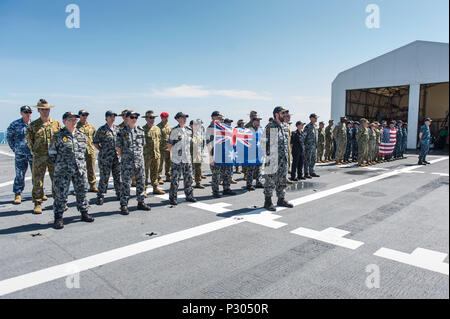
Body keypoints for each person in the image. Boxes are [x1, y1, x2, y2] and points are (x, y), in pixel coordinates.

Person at [48, 112, 94, 230]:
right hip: (63, 170)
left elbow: (83, 152)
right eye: (71, 120)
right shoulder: (57, 136)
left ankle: (84, 212)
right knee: (61, 194)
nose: (74, 122)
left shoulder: (81, 135)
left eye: (75, 120)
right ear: (64, 121)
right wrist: (60, 165)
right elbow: (52, 154)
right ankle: (58, 217)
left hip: (79, 169)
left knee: (82, 191)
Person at [26, 99, 62, 214]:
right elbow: (29, 141)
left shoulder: (56, 124)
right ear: (38, 110)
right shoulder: (33, 125)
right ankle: (37, 203)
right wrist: (36, 152)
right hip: (39, 157)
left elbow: (61, 139)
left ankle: (58, 201)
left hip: (53, 157)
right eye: (43, 110)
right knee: (38, 180)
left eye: (47, 109)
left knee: (56, 180)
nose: (46, 112)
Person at [116, 111, 150, 214]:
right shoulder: (121, 132)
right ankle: (124, 205)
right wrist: (125, 157)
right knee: (126, 184)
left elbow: (142, 145)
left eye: (136, 117)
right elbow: (118, 148)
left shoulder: (140, 131)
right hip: (127, 162)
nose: (134, 119)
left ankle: (141, 202)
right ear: (127, 118)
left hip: (139, 161)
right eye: (132, 117)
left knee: (141, 182)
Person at [262, 106, 293, 211]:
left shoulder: (284, 127)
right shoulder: (271, 127)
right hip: (273, 159)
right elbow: (263, 143)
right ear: (276, 114)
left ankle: (281, 199)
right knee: (270, 181)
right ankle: (268, 201)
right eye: (282, 113)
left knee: (282, 179)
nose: (285, 115)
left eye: (285, 113)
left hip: (283, 159)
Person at [167, 112, 197, 205]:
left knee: (188, 179)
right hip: (177, 159)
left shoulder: (189, 130)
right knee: (175, 180)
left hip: (187, 158)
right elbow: (169, 145)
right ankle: (173, 198)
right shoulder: (174, 130)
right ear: (177, 119)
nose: (184, 119)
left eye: (185, 117)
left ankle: (189, 195)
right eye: (182, 117)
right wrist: (175, 154)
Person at [7, 105, 34, 205]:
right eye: (25, 112)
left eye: (29, 112)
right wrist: (15, 149)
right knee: (20, 175)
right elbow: (9, 137)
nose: (28, 114)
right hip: (20, 154)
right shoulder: (15, 124)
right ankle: (18, 193)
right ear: (21, 113)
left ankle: (38, 193)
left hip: (33, 154)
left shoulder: (35, 125)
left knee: (36, 174)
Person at [93, 110, 121, 205]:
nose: (113, 118)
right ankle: (100, 195)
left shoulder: (117, 129)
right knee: (104, 177)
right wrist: (103, 150)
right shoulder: (101, 130)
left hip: (116, 158)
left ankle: (119, 193)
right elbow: (96, 142)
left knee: (117, 177)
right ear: (107, 117)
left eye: (114, 116)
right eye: (111, 116)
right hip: (105, 158)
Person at [206, 111, 236, 198]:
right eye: (219, 118)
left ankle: (226, 188)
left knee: (226, 172)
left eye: (221, 118)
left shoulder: (223, 127)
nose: (221, 119)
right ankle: (215, 191)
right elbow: (208, 144)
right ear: (213, 118)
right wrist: (211, 157)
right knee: (216, 173)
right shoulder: (210, 128)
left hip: (224, 153)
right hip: (215, 154)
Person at [143, 110, 165, 196]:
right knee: (145, 173)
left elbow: (159, 140)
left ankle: (155, 187)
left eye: (153, 118)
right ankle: (144, 189)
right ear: (146, 119)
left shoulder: (157, 129)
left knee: (155, 172)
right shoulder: (142, 129)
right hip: (146, 155)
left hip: (156, 154)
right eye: (150, 118)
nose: (152, 119)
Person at [76, 109, 98, 192]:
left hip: (90, 150)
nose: (85, 117)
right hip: (79, 151)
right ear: (79, 116)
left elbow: (94, 137)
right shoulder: (76, 127)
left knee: (91, 168)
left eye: (86, 115)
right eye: (83, 115)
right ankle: (78, 187)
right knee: (79, 169)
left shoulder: (91, 127)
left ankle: (92, 185)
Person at [246, 117, 264, 190]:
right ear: (253, 122)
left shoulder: (261, 130)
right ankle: (249, 184)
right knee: (251, 169)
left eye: (259, 121)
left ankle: (258, 182)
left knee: (259, 168)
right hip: (251, 152)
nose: (259, 123)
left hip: (259, 151)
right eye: (257, 121)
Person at [157, 112, 172, 184]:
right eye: (164, 117)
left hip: (168, 148)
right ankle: (159, 177)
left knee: (168, 163)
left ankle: (168, 176)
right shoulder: (158, 127)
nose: (166, 119)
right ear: (161, 118)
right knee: (160, 163)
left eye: (167, 117)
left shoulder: (169, 127)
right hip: (160, 148)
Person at [304, 114, 320, 178]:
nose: (316, 119)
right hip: (308, 146)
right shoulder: (307, 127)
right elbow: (304, 137)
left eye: (316, 118)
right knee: (308, 160)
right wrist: (305, 146)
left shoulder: (316, 126)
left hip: (314, 146)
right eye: (315, 118)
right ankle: (306, 173)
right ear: (311, 118)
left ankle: (312, 172)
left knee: (313, 159)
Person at [190, 119, 205, 189]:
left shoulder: (199, 133)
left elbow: (201, 143)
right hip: (190, 154)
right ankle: (189, 185)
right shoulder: (188, 133)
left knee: (198, 169)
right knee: (189, 170)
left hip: (198, 154)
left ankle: (198, 183)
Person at [224, 118, 238, 184]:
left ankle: (230, 178)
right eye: (228, 122)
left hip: (232, 149)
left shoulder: (232, 129)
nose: (230, 123)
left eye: (230, 122)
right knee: (225, 167)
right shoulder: (223, 130)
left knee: (231, 165)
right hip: (225, 150)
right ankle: (223, 179)